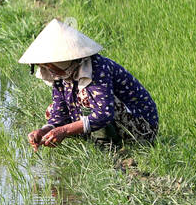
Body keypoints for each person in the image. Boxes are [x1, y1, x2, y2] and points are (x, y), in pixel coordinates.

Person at [18, 18, 159, 149]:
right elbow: (59, 112)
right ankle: (95, 139)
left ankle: (107, 145)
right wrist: (45, 131)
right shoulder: (61, 75)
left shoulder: (97, 69)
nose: (47, 70)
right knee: (51, 110)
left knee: (86, 99)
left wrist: (64, 130)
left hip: (141, 129)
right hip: (115, 121)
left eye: (49, 65)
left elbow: (104, 113)